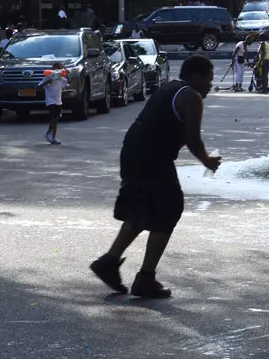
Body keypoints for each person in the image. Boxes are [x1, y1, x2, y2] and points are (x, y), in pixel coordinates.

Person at [90, 55, 222, 298]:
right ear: (197, 76)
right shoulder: (191, 96)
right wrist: (208, 161)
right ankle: (145, 279)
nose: (210, 85)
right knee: (169, 210)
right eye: (209, 79)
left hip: (134, 152)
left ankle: (109, 262)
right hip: (151, 158)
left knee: (142, 210)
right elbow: (193, 139)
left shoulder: (170, 87)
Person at [38, 62, 69, 145]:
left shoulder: (62, 79)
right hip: (50, 101)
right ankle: (48, 132)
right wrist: (48, 81)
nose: (58, 70)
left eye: (60, 68)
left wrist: (66, 73)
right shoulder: (48, 77)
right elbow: (39, 86)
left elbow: (68, 83)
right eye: (56, 68)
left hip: (58, 101)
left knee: (56, 119)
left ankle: (53, 137)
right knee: (54, 117)